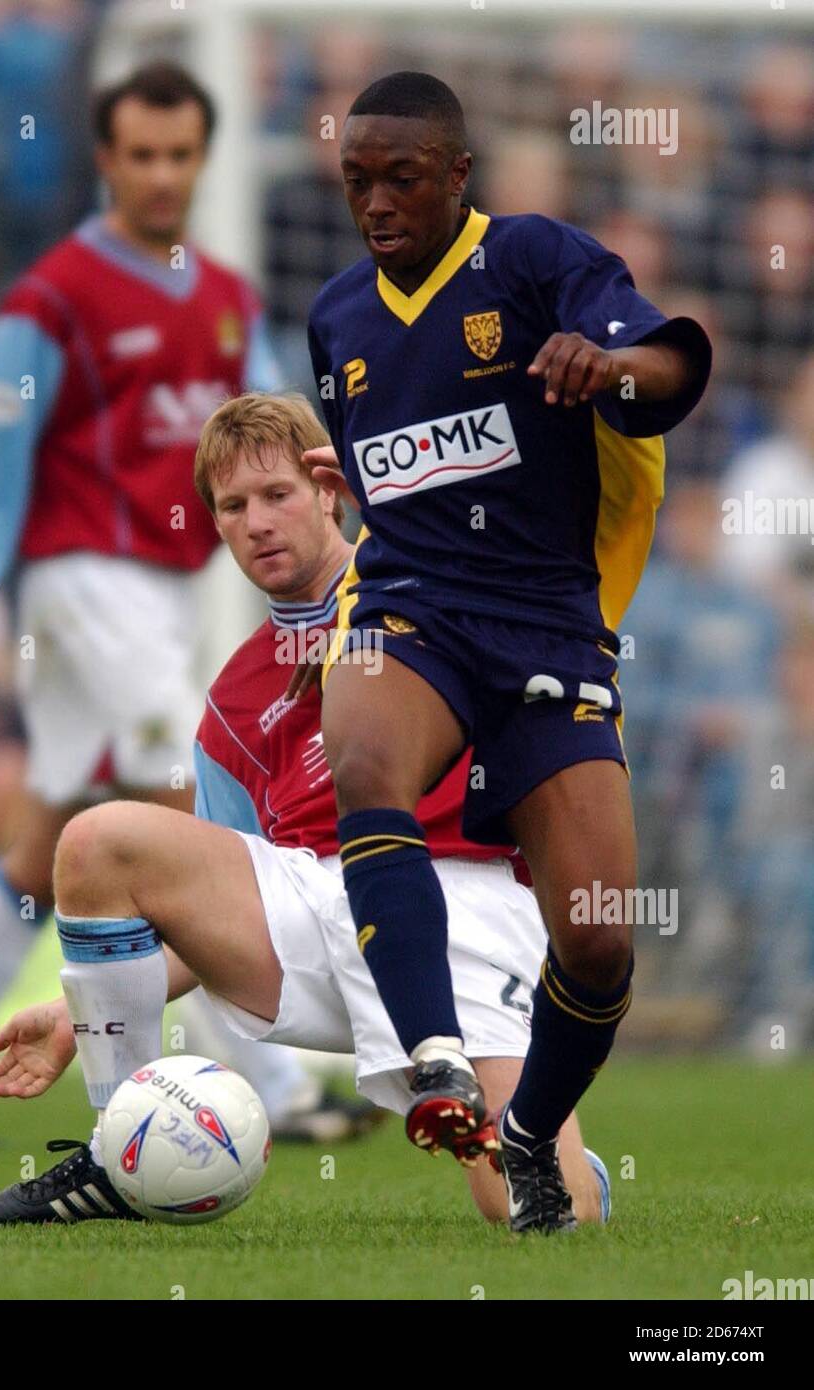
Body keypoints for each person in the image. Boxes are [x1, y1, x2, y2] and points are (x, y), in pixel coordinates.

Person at [0, 392, 609, 1228]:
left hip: (458, 904)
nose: (257, 522)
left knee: (544, 1218)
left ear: (329, 492)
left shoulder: (430, 587)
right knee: (99, 841)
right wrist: (83, 1010)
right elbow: (205, 922)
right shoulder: (232, 704)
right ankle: (117, 1143)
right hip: (310, 906)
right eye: (233, 507)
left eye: (277, 495)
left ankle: (568, 1155)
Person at [304, 72, 711, 1231]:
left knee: (594, 941)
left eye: (402, 179)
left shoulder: (533, 258)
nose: (376, 203)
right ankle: (434, 1050)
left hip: (545, 624)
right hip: (411, 611)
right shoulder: (336, 318)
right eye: (356, 182)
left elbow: (671, 367)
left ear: (459, 176)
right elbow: (387, 490)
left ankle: (528, 1130)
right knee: (366, 758)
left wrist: (610, 366)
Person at [0, 61, 289, 1147]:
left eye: (179, 155)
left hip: (182, 590)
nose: (161, 175)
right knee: (193, 813)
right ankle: (269, 1093)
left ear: (203, 159)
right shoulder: (53, 296)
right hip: (83, 576)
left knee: (43, 841)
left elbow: (281, 438)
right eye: (140, 155)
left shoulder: (231, 302)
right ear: (104, 159)